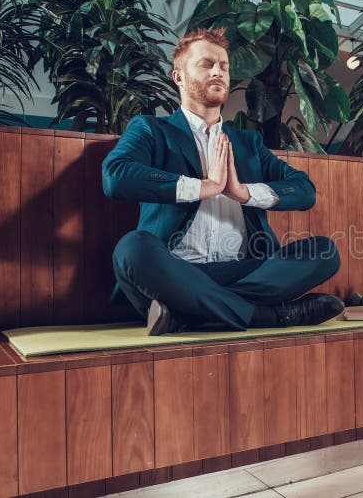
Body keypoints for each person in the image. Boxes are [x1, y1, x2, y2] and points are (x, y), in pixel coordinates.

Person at [102, 28, 343, 335]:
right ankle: (266, 317)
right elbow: (116, 175)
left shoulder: (247, 143)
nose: (218, 71)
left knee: (324, 252)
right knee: (131, 248)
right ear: (178, 77)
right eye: (206, 64)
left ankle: (187, 314)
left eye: (224, 66)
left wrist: (242, 192)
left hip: (244, 272)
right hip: (174, 272)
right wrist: (204, 187)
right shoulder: (151, 129)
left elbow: (304, 190)